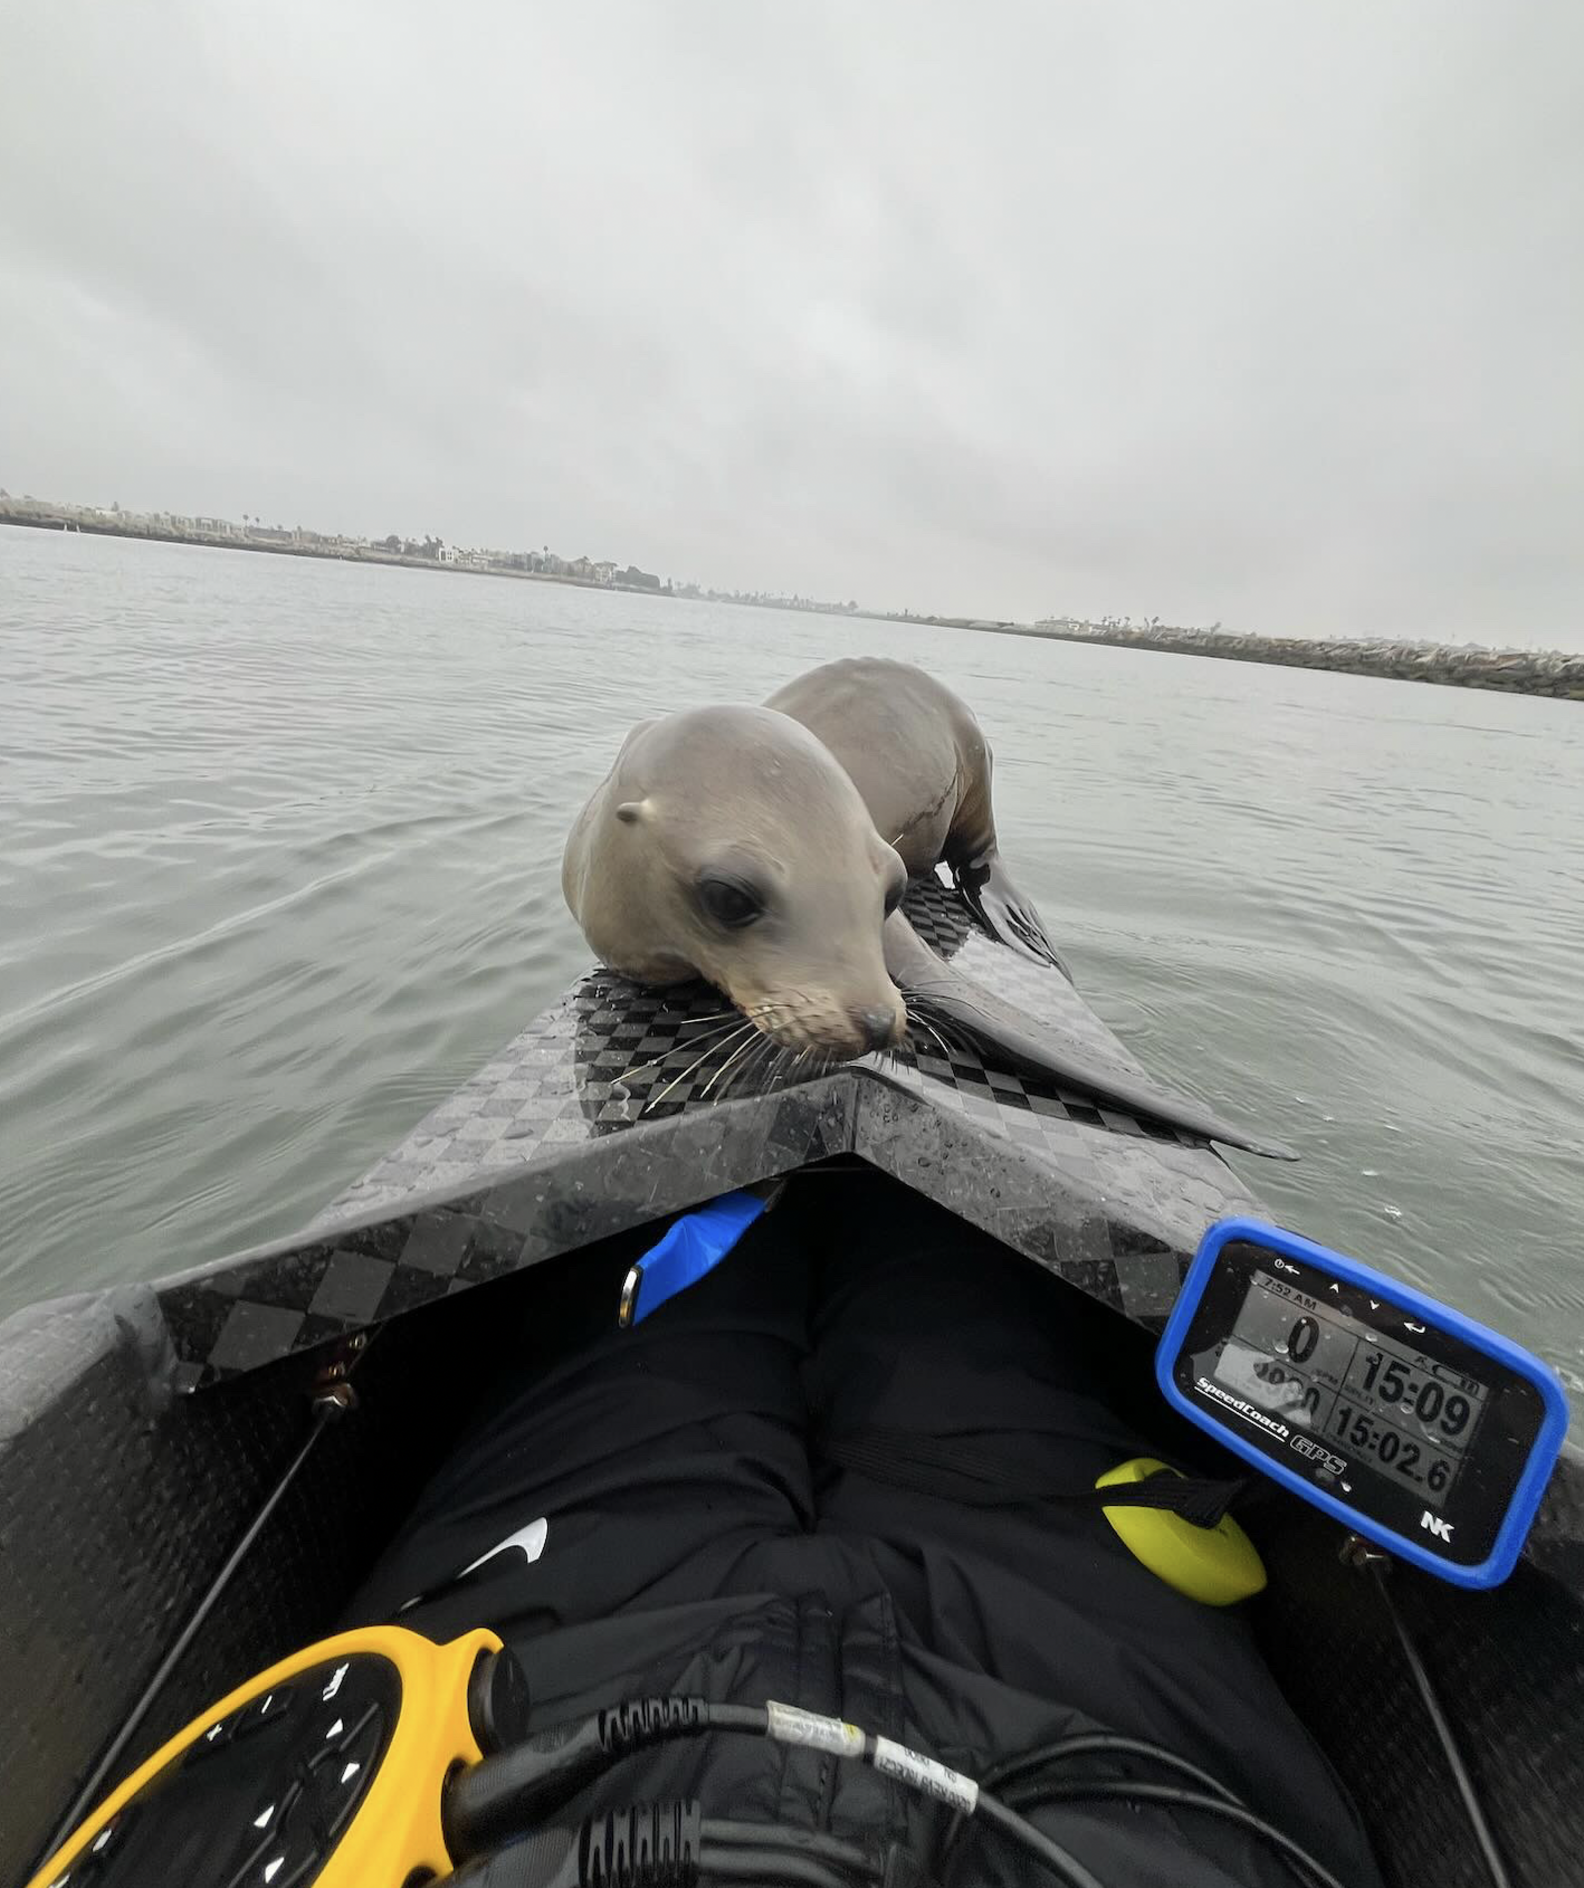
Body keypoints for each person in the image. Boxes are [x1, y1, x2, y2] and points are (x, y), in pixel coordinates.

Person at [344, 1179, 1382, 1887]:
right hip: (1121, 1749)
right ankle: (842, 1174)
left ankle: (778, 1174)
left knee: (678, 1289)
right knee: (948, 1258)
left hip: (500, 1716)